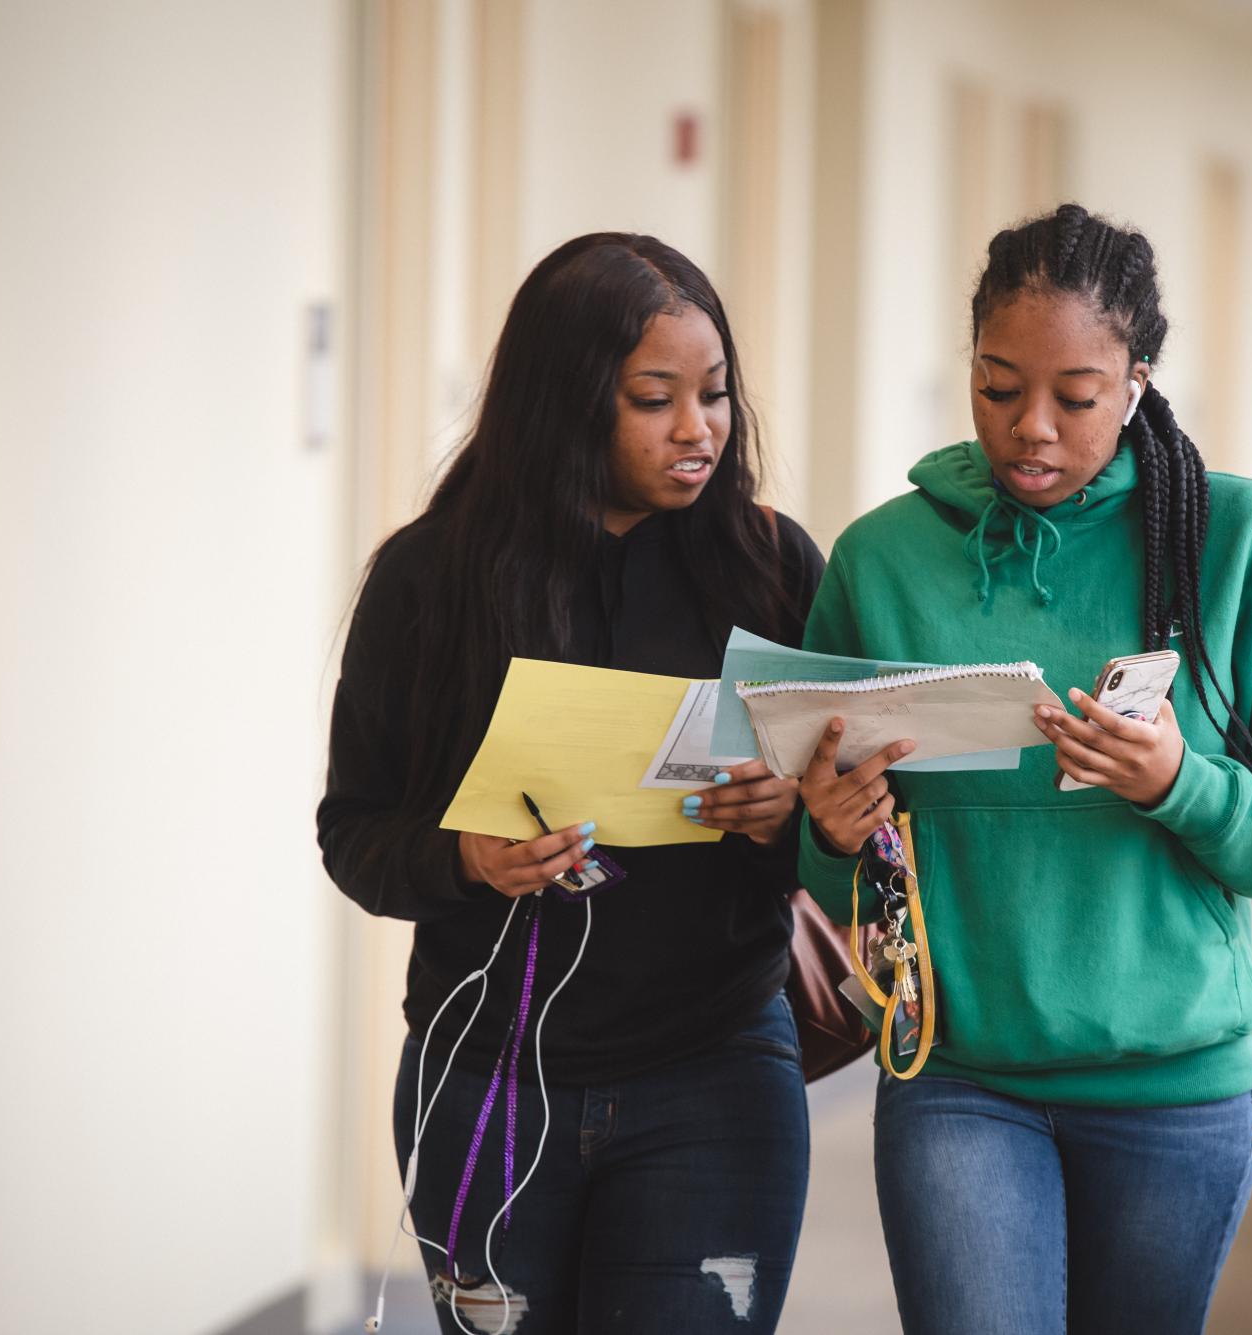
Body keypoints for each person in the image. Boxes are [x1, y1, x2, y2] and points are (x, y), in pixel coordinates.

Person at [795, 203, 1252, 1335]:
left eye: (1077, 396)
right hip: (958, 1079)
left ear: (1138, 383)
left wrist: (1176, 782)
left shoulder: (1235, 539)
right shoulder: (881, 559)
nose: (1031, 431)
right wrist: (827, 828)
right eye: (997, 386)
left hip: (1175, 1090)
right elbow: (832, 878)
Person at [317, 233, 824, 1335]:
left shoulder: (773, 569)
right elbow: (354, 835)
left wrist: (782, 816)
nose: (698, 431)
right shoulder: (430, 580)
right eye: (655, 399)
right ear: (565, 400)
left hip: (715, 1066)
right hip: (484, 1077)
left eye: (716, 395)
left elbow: (852, 830)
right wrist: (466, 858)